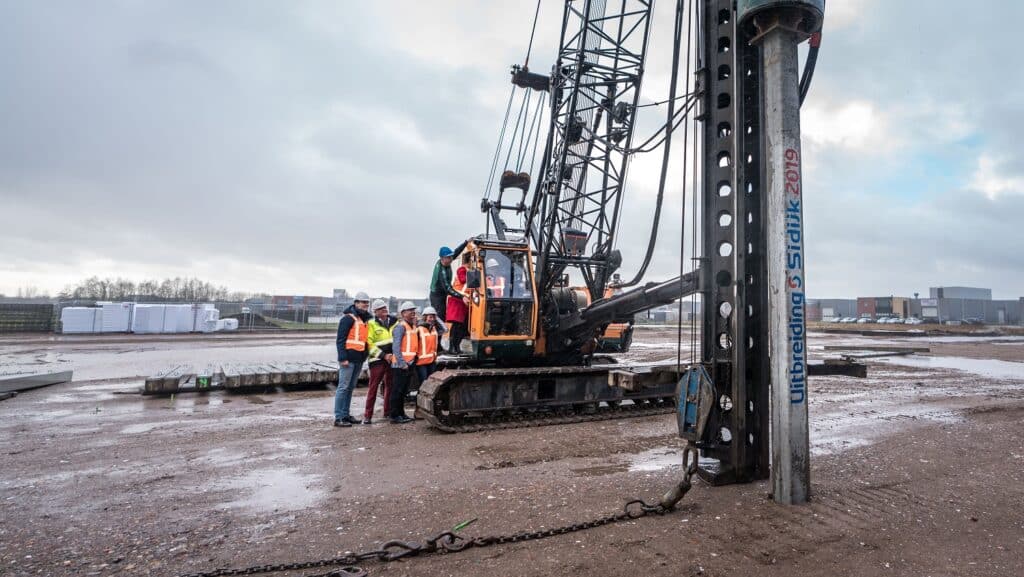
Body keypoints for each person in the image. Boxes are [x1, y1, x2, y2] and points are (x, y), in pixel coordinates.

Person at [334, 291, 371, 427]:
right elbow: (340, 340)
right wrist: (342, 358)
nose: (365, 304)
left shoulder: (364, 320)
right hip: (348, 360)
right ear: (356, 303)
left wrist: (365, 355)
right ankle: (339, 417)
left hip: (359, 359)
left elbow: (364, 340)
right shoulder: (348, 319)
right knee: (343, 387)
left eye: (367, 302)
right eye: (363, 302)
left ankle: (345, 414)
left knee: (350, 388)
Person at [362, 299, 397, 424]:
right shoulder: (371, 324)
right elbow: (369, 344)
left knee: (390, 386)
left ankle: (387, 412)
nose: (384, 310)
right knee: (373, 387)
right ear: (375, 312)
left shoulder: (394, 322)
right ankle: (368, 416)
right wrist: (383, 355)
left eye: (385, 308)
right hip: (377, 360)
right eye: (381, 309)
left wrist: (393, 356)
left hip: (392, 359)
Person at [388, 301, 419, 424]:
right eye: (409, 310)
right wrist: (402, 363)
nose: (413, 312)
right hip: (401, 365)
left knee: (403, 391)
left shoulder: (413, 326)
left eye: (413, 310)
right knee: (397, 391)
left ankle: (401, 413)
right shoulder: (400, 327)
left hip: (409, 364)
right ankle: (394, 415)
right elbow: (396, 348)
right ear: (403, 313)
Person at [429, 239, 471, 321]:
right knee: (440, 316)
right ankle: (437, 329)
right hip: (437, 296)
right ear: (442, 258)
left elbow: (456, 252)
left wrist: (466, 242)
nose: (451, 259)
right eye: (449, 257)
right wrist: (462, 297)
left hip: (443, 293)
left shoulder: (447, 261)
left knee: (443, 315)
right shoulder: (441, 272)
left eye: (451, 257)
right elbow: (448, 289)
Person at [446, 253, 472, 354]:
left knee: (462, 325)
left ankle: (457, 346)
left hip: (463, 300)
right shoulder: (462, 269)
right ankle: (452, 347)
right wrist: (477, 275)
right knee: (456, 325)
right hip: (457, 300)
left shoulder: (468, 270)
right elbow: (463, 279)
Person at [416, 306, 447, 382]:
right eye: (430, 317)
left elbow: (445, 329)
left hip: (432, 361)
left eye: (433, 317)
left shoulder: (434, 330)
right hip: (421, 362)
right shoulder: (419, 329)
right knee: (424, 383)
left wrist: (436, 317)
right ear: (425, 317)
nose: (432, 319)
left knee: (431, 382)